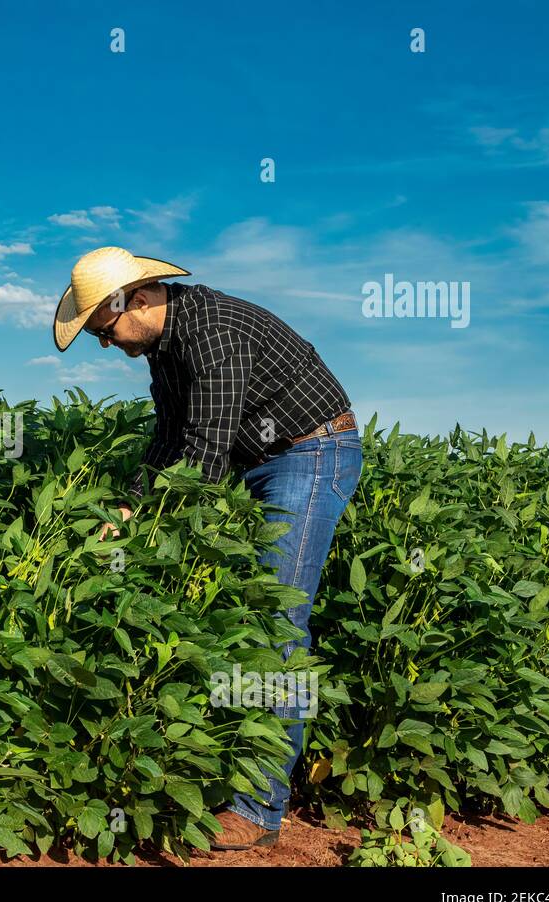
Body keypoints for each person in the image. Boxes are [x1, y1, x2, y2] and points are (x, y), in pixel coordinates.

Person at [52, 245, 362, 850]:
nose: (104, 344)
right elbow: (169, 439)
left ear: (137, 299)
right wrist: (129, 505)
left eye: (103, 329)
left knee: (278, 620)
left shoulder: (213, 331)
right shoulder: (164, 348)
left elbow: (204, 454)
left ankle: (260, 809)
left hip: (311, 454)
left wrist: (152, 535)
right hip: (261, 460)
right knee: (240, 616)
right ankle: (217, 772)